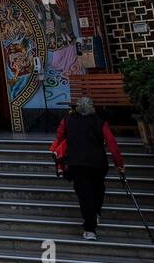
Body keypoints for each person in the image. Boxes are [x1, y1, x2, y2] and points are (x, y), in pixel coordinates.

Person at [53, 96, 125, 241]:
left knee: (85, 195)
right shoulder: (100, 122)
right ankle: (95, 214)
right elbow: (112, 144)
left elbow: (59, 137)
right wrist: (119, 164)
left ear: (77, 108)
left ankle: (90, 228)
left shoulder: (67, 120)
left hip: (76, 163)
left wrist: (59, 159)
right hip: (97, 163)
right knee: (98, 189)